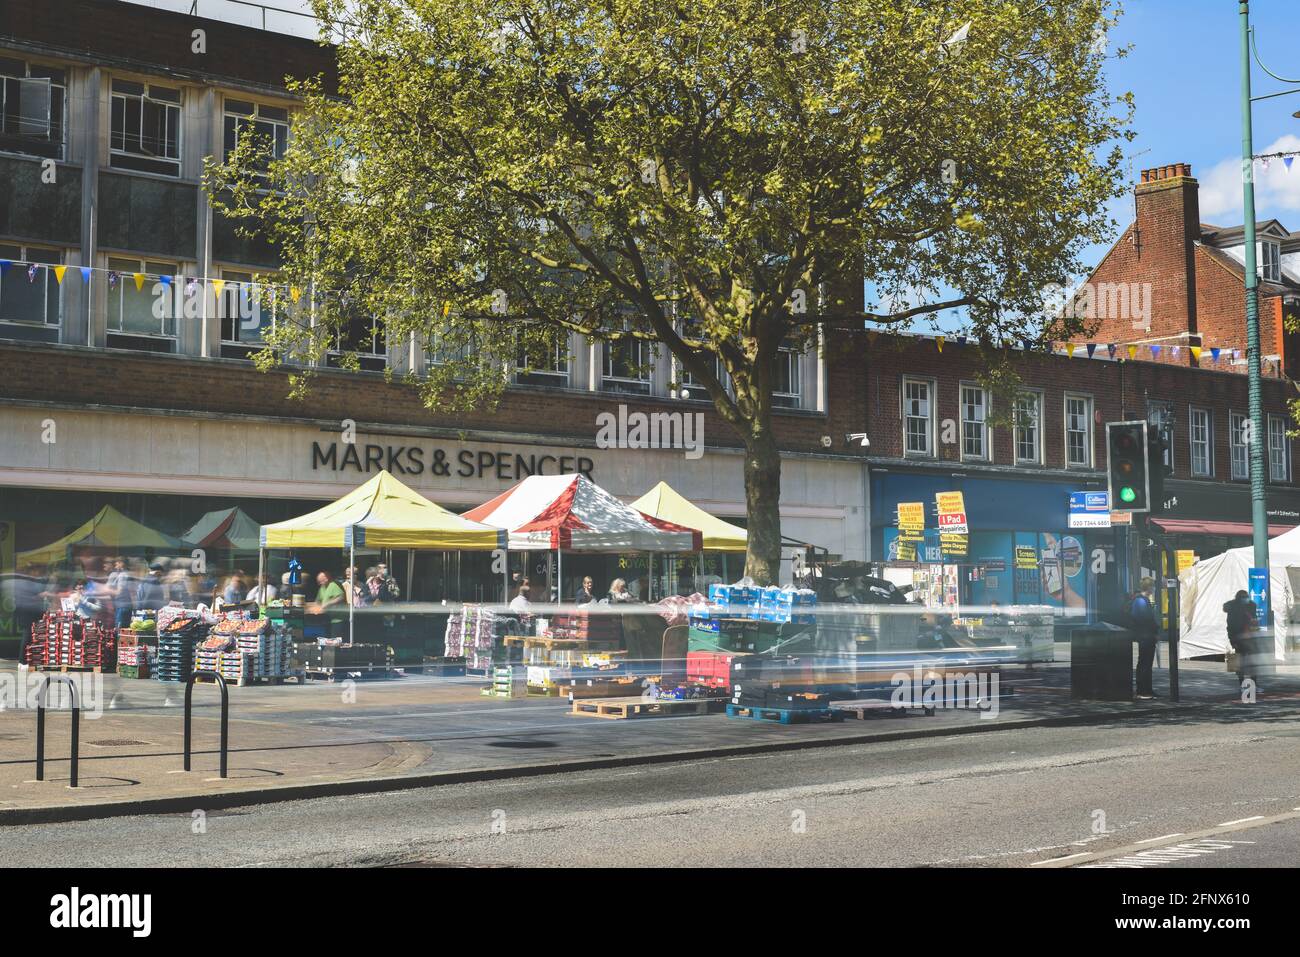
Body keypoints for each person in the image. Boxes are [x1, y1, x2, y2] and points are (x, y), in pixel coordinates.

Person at [1129, 577, 1160, 700]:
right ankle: (1142, 690)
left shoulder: (1143, 600)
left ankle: (1147, 689)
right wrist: (1154, 631)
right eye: (1152, 586)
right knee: (1144, 663)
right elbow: (1146, 620)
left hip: (1146, 635)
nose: (1153, 588)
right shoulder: (1141, 601)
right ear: (1148, 587)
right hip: (1145, 636)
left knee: (1146, 663)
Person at [1223, 589, 1258, 680]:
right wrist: (1232, 641)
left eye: (1246, 597)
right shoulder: (1233, 610)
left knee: (1253, 663)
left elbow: (1254, 622)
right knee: (1239, 663)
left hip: (1250, 638)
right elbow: (1230, 626)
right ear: (1238, 599)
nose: (1245, 599)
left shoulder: (1251, 606)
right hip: (1238, 639)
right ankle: (1242, 684)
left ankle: (1253, 683)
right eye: (1243, 597)